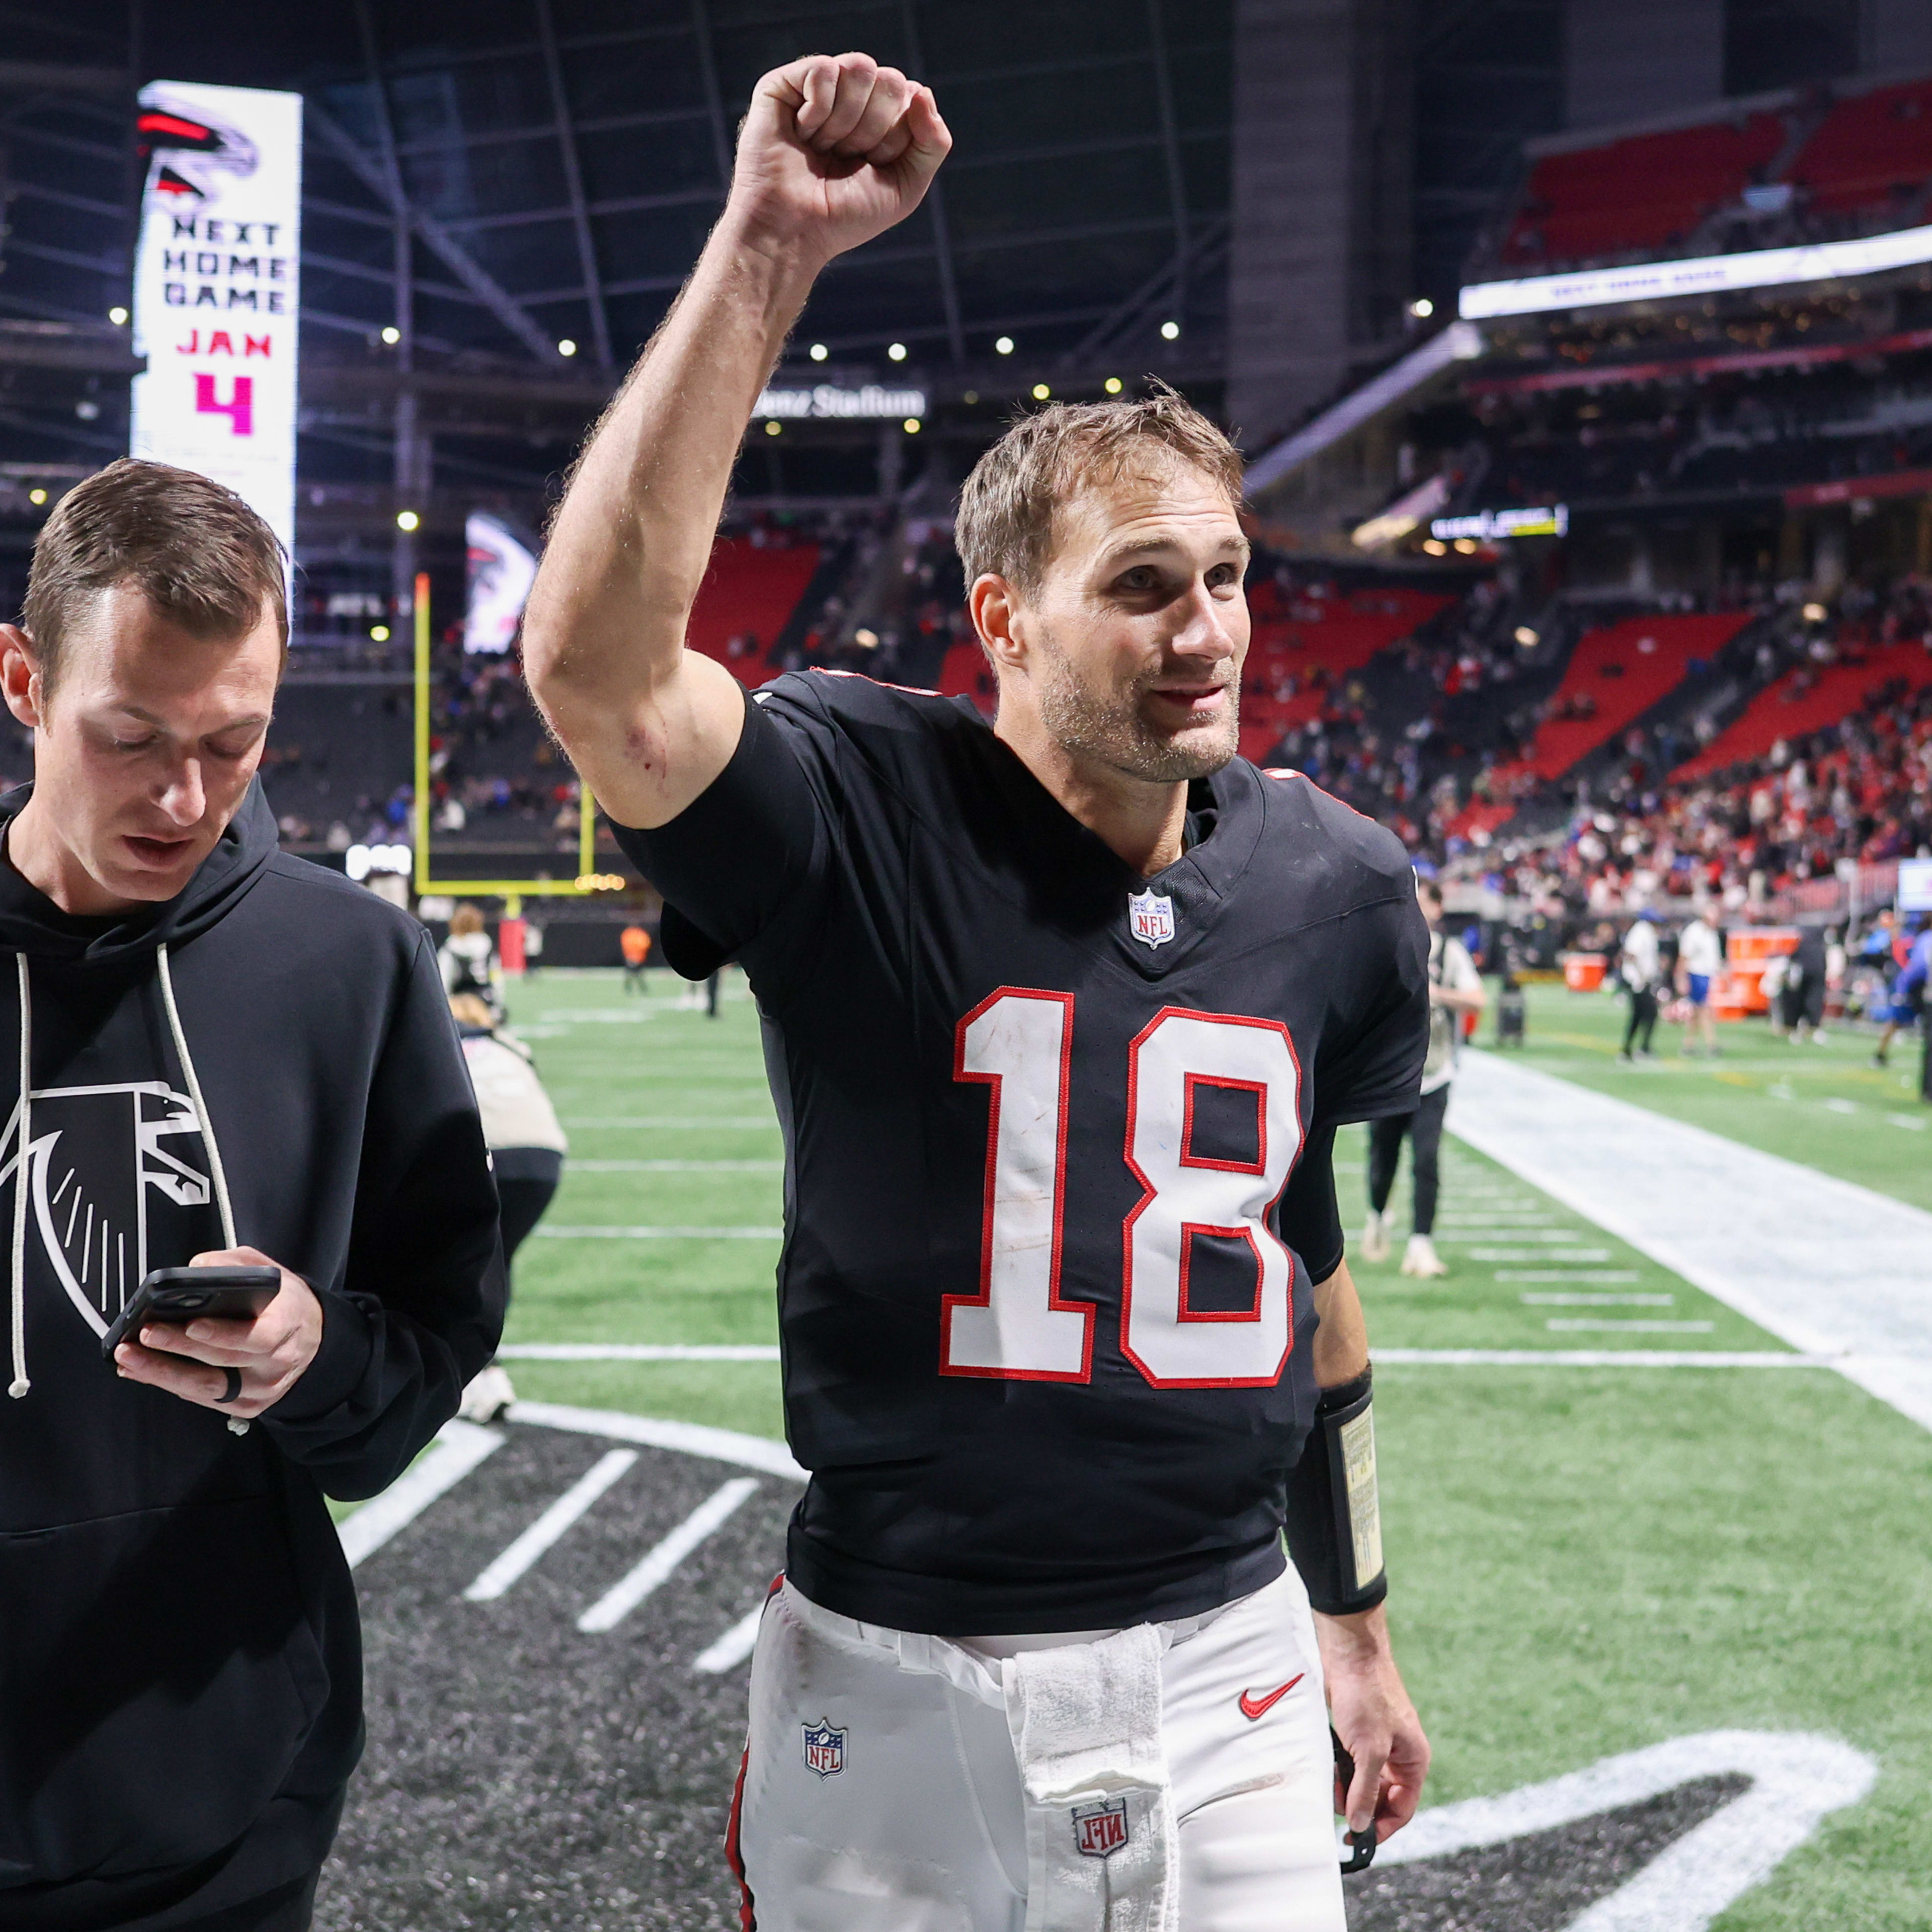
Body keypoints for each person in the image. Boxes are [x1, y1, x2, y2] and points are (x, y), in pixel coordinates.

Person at [523, 51, 1431, 1932]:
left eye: (1227, 575)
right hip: (897, 1666)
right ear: (1006, 618)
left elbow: (1302, 1260)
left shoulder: (1338, 885)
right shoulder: (860, 799)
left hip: (1231, 1659)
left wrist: (1354, 1620)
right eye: (1144, 584)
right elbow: (599, 670)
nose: (1206, 630)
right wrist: (767, 250)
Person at [0, 458, 504, 1931]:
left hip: (219, 1797)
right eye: (132, 737)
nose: (185, 796)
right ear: (23, 681)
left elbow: (425, 1358)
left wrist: (317, 1354)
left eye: (236, 741)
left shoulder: (353, 965)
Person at [449, 991, 568, 1422]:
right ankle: (488, 1374)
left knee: (460, 1267)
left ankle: (473, 1376)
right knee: (494, 1266)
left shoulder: (439, 1043)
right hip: (544, 1159)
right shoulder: (510, 1045)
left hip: (488, 1156)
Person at [1362, 876, 1486, 1278]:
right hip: (1388, 1074)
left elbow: (1478, 999)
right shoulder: (1383, 947)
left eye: (1422, 902)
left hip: (1434, 1072)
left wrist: (1438, 994)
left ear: (1437, 907)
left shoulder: (1449, 952)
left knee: (1427, 1159)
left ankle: (1421, 1244)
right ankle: (1378, 1214)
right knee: (1383, 1160)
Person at [1676, 906, 1723, 1057]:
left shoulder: (1712, 934)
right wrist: (1682, 978)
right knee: (1704, 1010)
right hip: (1696, 974)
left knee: (1698, 1012)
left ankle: (1689, 1045)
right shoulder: (1694, 932)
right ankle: (1712, 1044)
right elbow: (1684, 956)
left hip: (1707, 975)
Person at [1616, 909, 1661, 1062]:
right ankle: (1640, 1049)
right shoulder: (1641, 931)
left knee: (1640, 1015)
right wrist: (1642, 975)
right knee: (1647, 1013)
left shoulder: (1646, 932)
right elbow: (1631, 955)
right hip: (1638, 982)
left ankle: (1631, 1049)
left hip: (1642, 981)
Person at [439, 901, 499, 1016]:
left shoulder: (450, 947)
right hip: (485, 1003)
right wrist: (496, 1006)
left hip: (459, 1005)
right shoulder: (487, 945)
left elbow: (443, 980)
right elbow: (496, 980)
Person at [619, 919, 651, 991]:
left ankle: (641, 988)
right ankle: (629, 987)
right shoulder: (628, 934)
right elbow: (625, 945)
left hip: (639, 958)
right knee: (631, 973)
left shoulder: (640, 934)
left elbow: (646, 944)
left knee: (638, 974)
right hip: (631, 957)